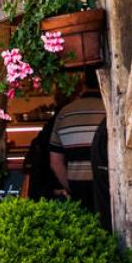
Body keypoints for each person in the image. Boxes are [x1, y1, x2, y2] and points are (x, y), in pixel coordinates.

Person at [49, 70, 106, 209]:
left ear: (83, 84)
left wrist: (71, 187)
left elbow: (55, 162)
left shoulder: (65, 113)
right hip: (109, 184)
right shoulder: (112, 110)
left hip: (78, 184)